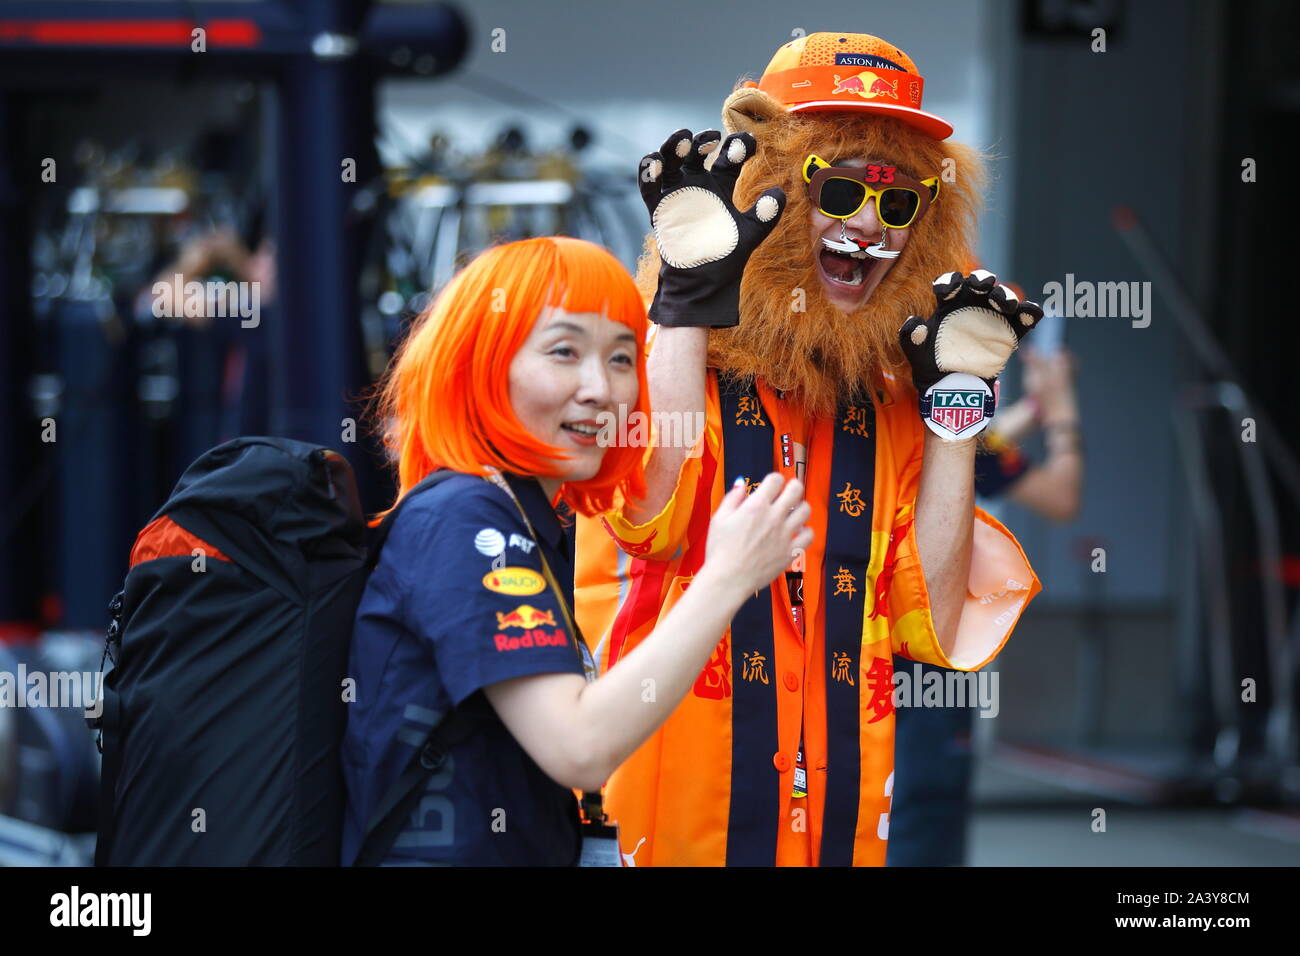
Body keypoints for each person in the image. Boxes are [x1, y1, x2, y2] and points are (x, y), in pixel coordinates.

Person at [574, 31, 1044, 866]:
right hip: (659, 823)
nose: (868, 226)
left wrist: (954, 414)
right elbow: (650, 524)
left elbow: (930, 628)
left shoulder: (892, 402)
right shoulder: (665, 357)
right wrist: (684, 308)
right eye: (839, 189)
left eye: (900, 203)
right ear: (769, 187)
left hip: (839, 835)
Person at [339, 236, 812, 865]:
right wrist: (726, 577)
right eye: (564, 351)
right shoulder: (469, 521)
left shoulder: (519, 516)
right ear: (481, 363)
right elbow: (580, 744)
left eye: (622, 358)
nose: (601, 388)